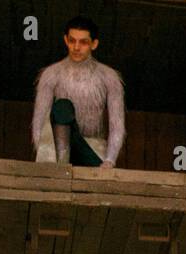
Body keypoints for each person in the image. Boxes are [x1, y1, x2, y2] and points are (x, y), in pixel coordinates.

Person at [30, 15, 125, 167]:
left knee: (63, 107)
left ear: (94, 44)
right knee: (62, 106)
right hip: (58, 150)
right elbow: (38, 123)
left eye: (83, 42)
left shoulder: (109, 77)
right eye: (72, 40)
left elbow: (117, 125)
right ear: (66, 40)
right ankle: (61, 166)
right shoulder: (51, 74)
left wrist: (110, 160)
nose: (76, 47)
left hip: (93, 151)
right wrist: (45, 155)